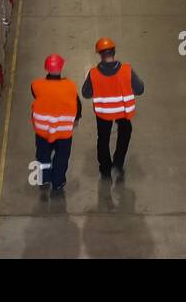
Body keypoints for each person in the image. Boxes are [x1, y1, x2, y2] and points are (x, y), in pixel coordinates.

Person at [82, 37, 144, 178]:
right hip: (123, 111)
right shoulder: (127, 70)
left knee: (103, 138)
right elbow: (140, 89)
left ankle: (105, 167)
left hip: (103, 113)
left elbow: (86, 94)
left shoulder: (93, 74)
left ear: (99, 54)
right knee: (125, 132)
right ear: (114, 52)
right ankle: (118, 161)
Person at [31, 53, 81, 192]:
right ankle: (58, 181)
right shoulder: (70, 86)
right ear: (61, 67)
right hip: (63, 132)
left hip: (43, 132)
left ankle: (44, 179)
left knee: (43, 156)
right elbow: (78, 105)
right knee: (61, 158)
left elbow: (37, 96)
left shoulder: (36, 85)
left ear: (46, 68)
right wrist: (76, 119)